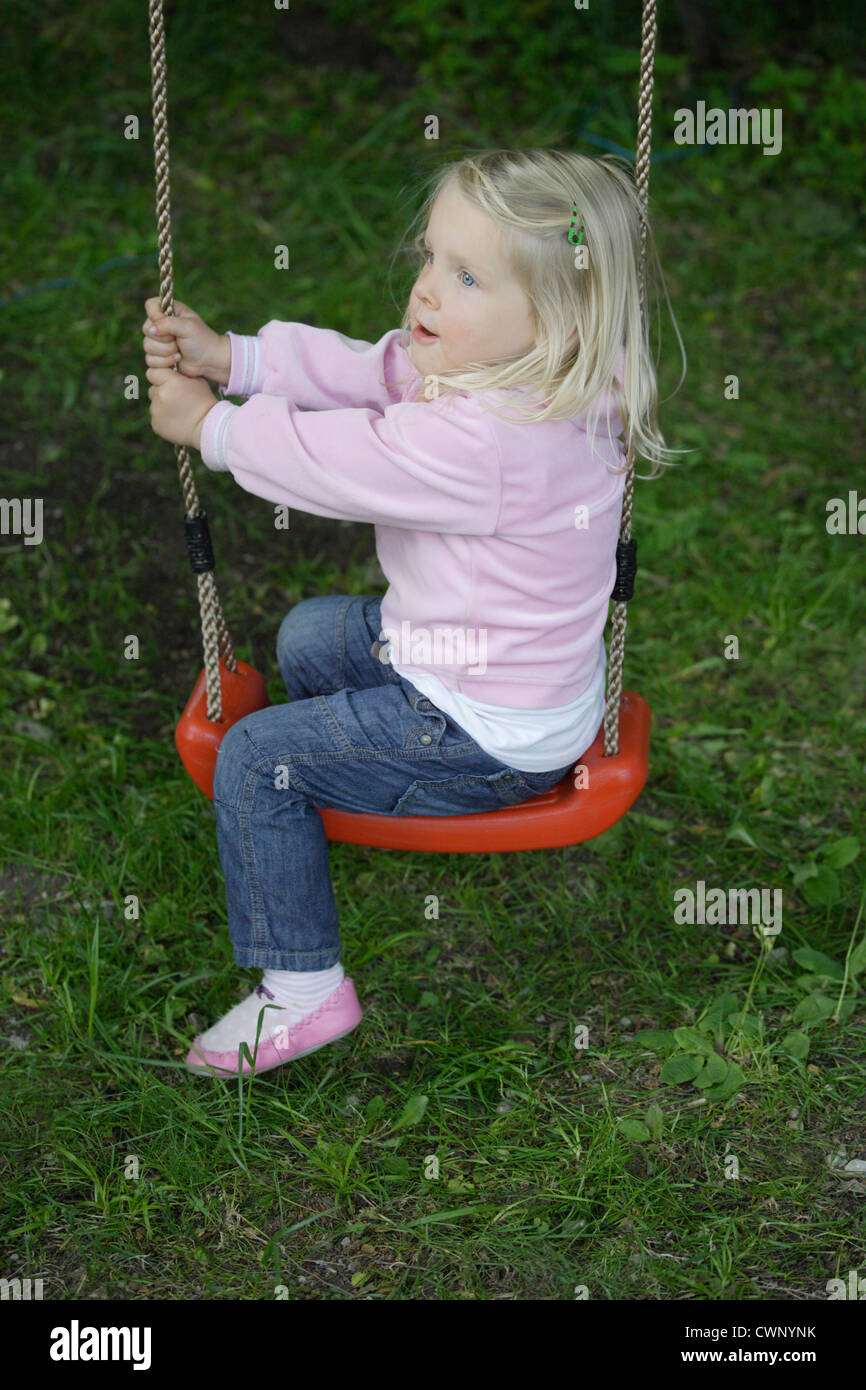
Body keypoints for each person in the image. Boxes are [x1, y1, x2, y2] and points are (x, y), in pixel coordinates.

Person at [142, 148, 679, 1077]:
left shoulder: (489, 441)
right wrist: (239, 358)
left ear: (555, 316)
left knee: (257, 759)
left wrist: (213, 427)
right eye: (432, 257)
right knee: (312, 631)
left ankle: (304, 992)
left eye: (466, 276)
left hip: (481, 733)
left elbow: (343, 460)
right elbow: (381, 372)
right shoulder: (558, 368)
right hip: (488, 666)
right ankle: (340, 806)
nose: (427, 289)